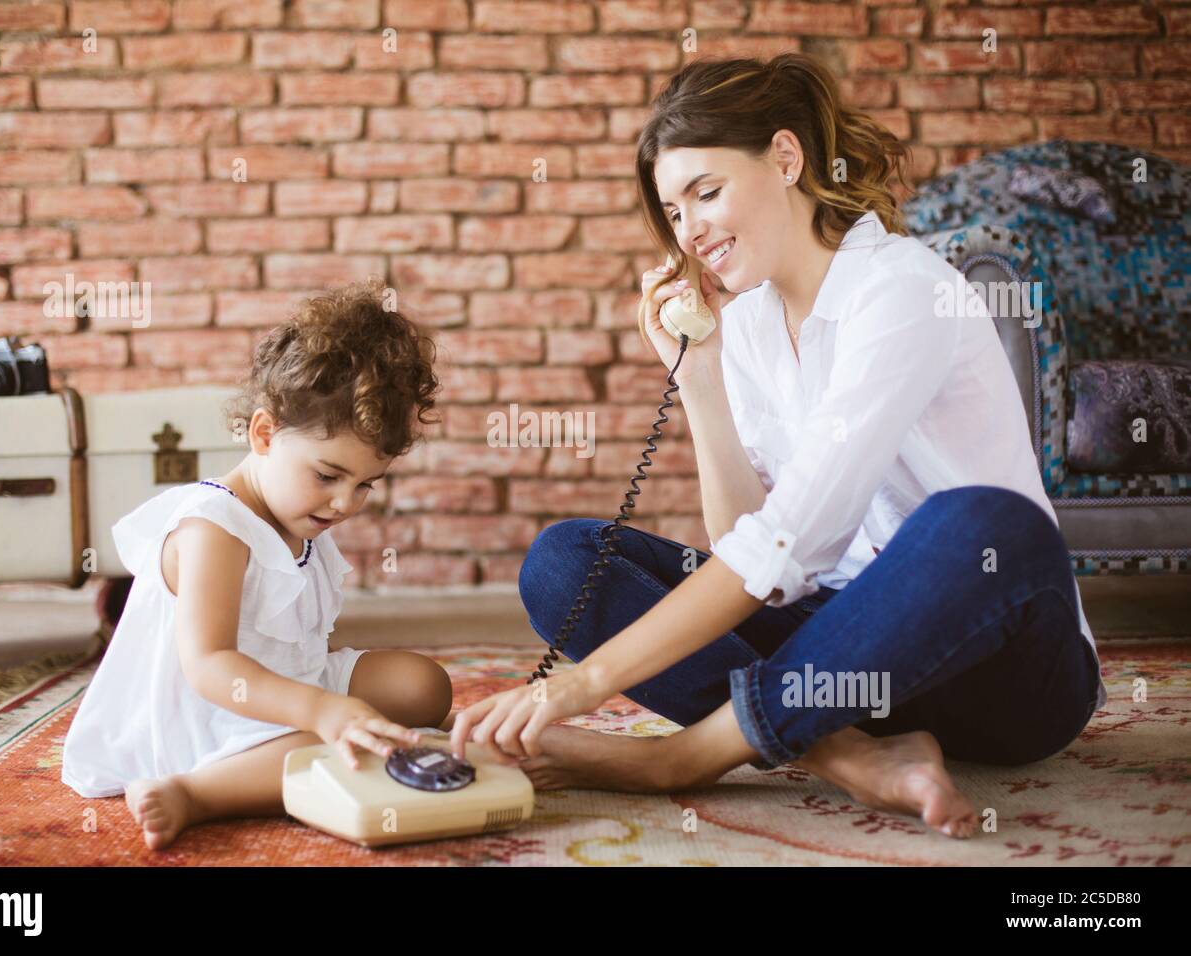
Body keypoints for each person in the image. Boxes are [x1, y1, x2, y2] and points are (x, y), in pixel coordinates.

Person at [449, 54, 1105, 840]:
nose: (690, 230)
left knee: (983, 526)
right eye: (674, 210)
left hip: (993, 665)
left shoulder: (900, 289)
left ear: (786, 159)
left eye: (707, 192)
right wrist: (698, 379)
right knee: (564, 562)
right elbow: (750, 550)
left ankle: (684, 758)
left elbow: (795, 539)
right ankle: (851, 754)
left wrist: (584, 684)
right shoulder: (752, 321)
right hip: (847, 663)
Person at [62, 281, 450, 850]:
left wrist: (329, 698)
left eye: (366, 483)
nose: (345, 503)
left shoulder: (301, 517)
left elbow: (298, 642)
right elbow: (210, 664)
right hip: (207, 711)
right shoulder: (212, 528)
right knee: (329, 748)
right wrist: (321, 710)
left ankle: (307, 735)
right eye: (328, 476)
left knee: (424, 688)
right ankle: (197, 792)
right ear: (264, 434)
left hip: (286, 688)